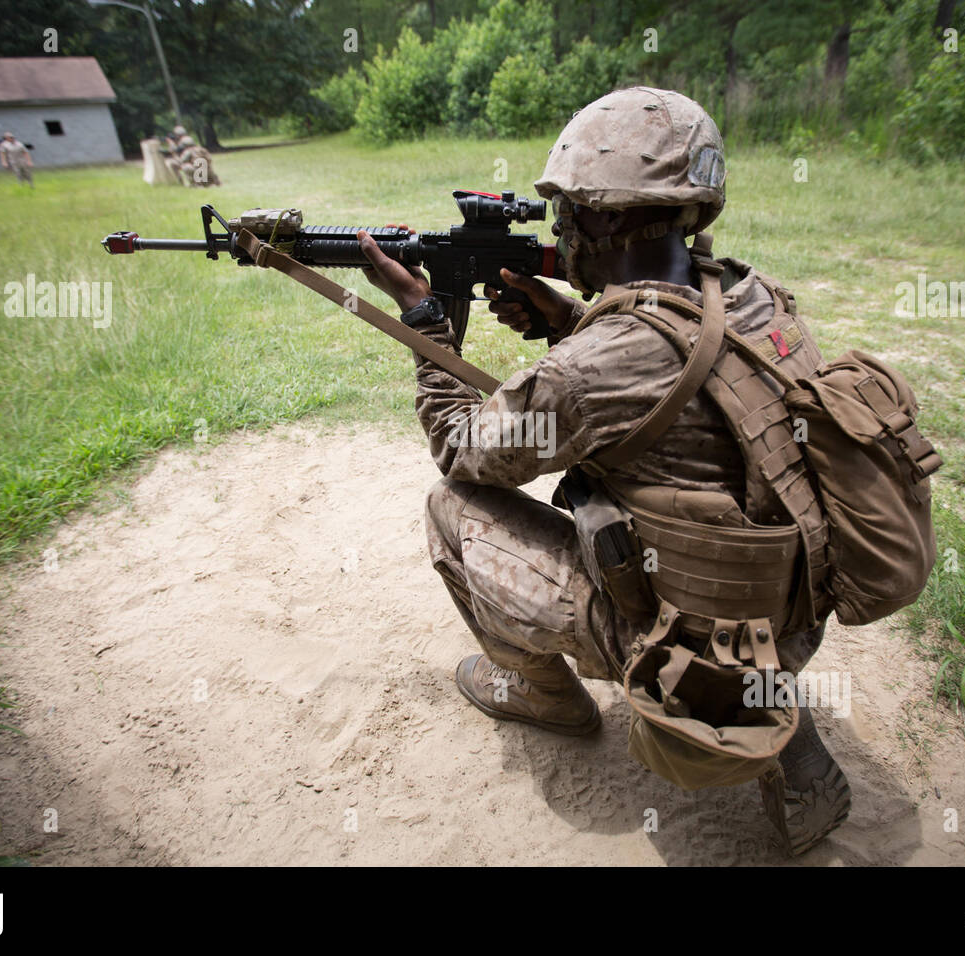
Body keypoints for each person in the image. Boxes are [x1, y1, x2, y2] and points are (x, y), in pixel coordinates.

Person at [355, 87, 850, 854]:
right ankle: (775, 709)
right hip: (795, 612)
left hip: (683, 640)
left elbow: (460, 443)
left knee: (450, 507)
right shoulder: (755, 297)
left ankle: (545, 694)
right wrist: (570, 322)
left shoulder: (592, 371)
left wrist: (424, 321)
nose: (560, 227)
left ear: (606, 217)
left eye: (569, 209)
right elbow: (682, 377)